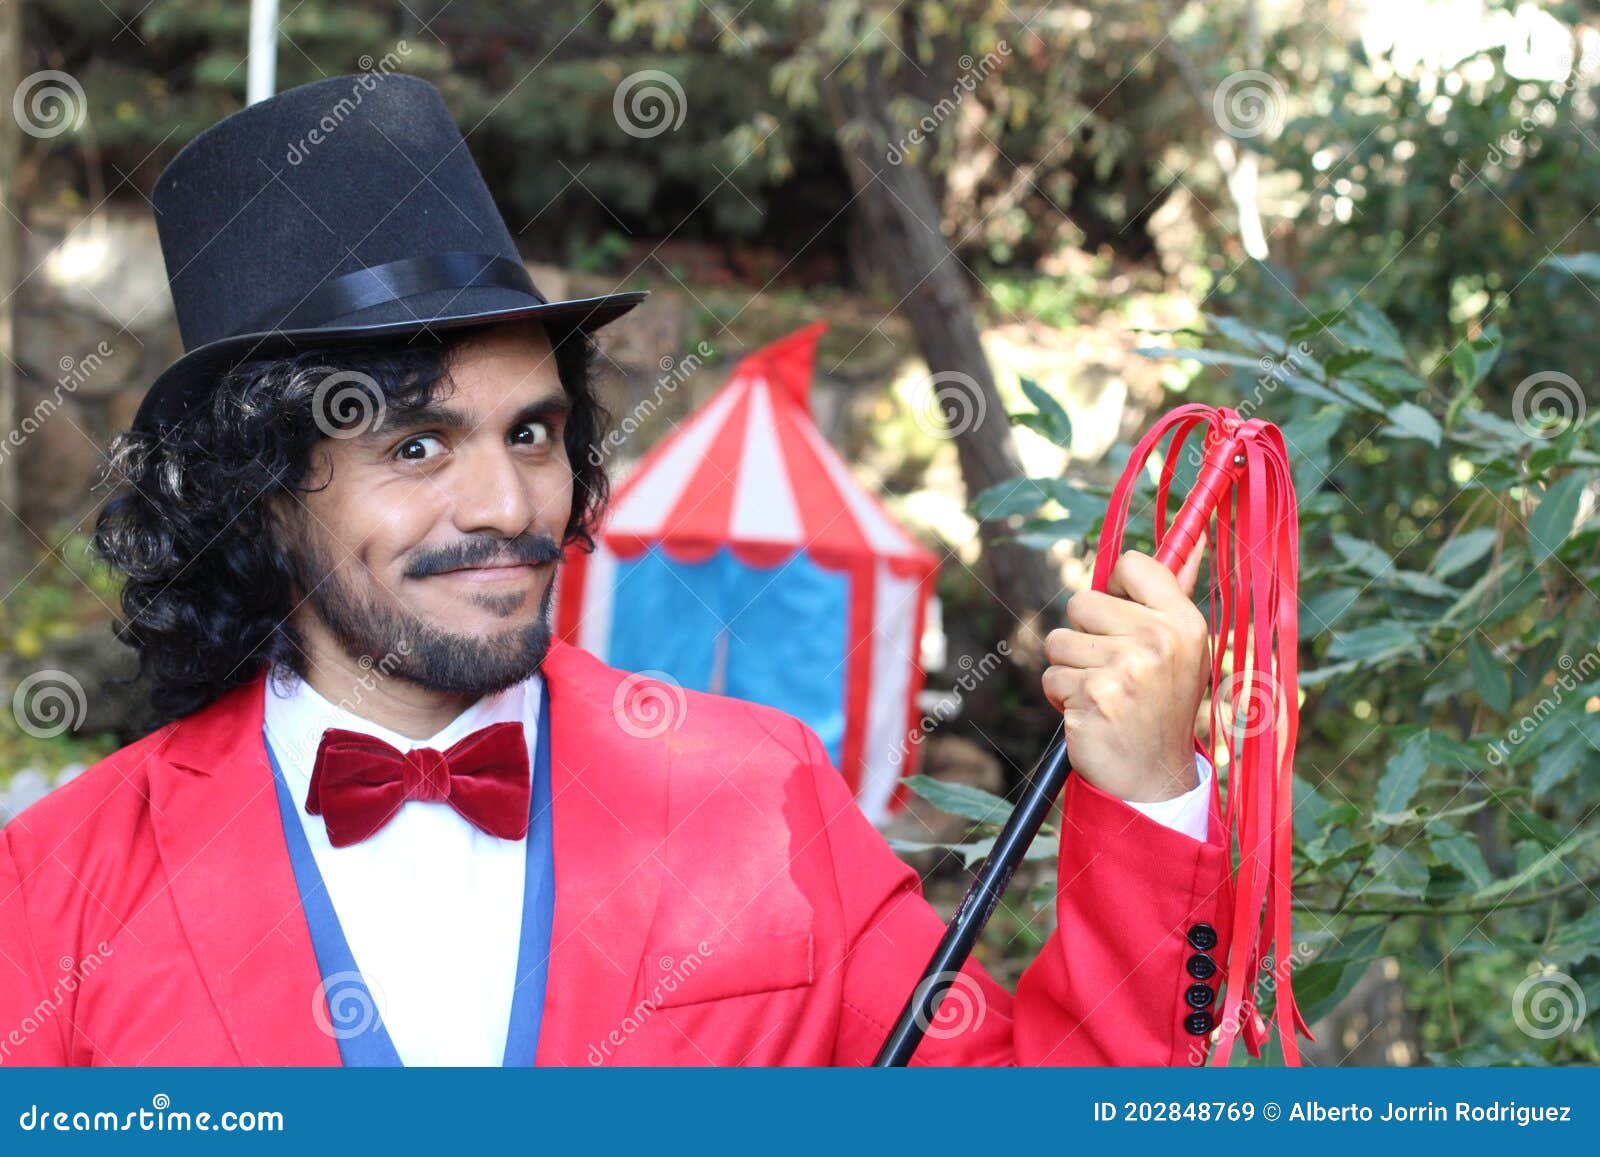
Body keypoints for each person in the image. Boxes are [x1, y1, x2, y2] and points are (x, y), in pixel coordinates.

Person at [0, 73, 1228, 1067]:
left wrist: (1148, 799)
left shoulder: (763, 792)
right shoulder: (54, 886)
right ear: (258, 494)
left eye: (529, 431)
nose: (506, 500)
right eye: (415, 443)